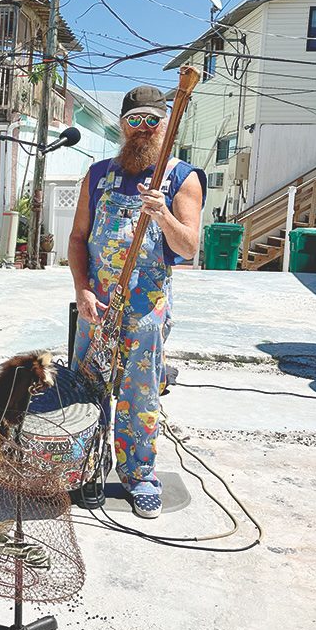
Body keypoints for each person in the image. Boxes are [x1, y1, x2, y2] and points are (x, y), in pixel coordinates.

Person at [68, 85, 206, 518]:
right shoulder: (98, 174)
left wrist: (163, 214)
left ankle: (139, 474)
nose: (143, 129)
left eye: (152, 121)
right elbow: (77, 239)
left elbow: (188, 247)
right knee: (87, 390)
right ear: (122, 126)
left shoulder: (183, 178)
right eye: (135, 121)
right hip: (97, 308)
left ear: (165, 125)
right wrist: (83, 289)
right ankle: (86, 467)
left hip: (146, 311)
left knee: (140, 394)